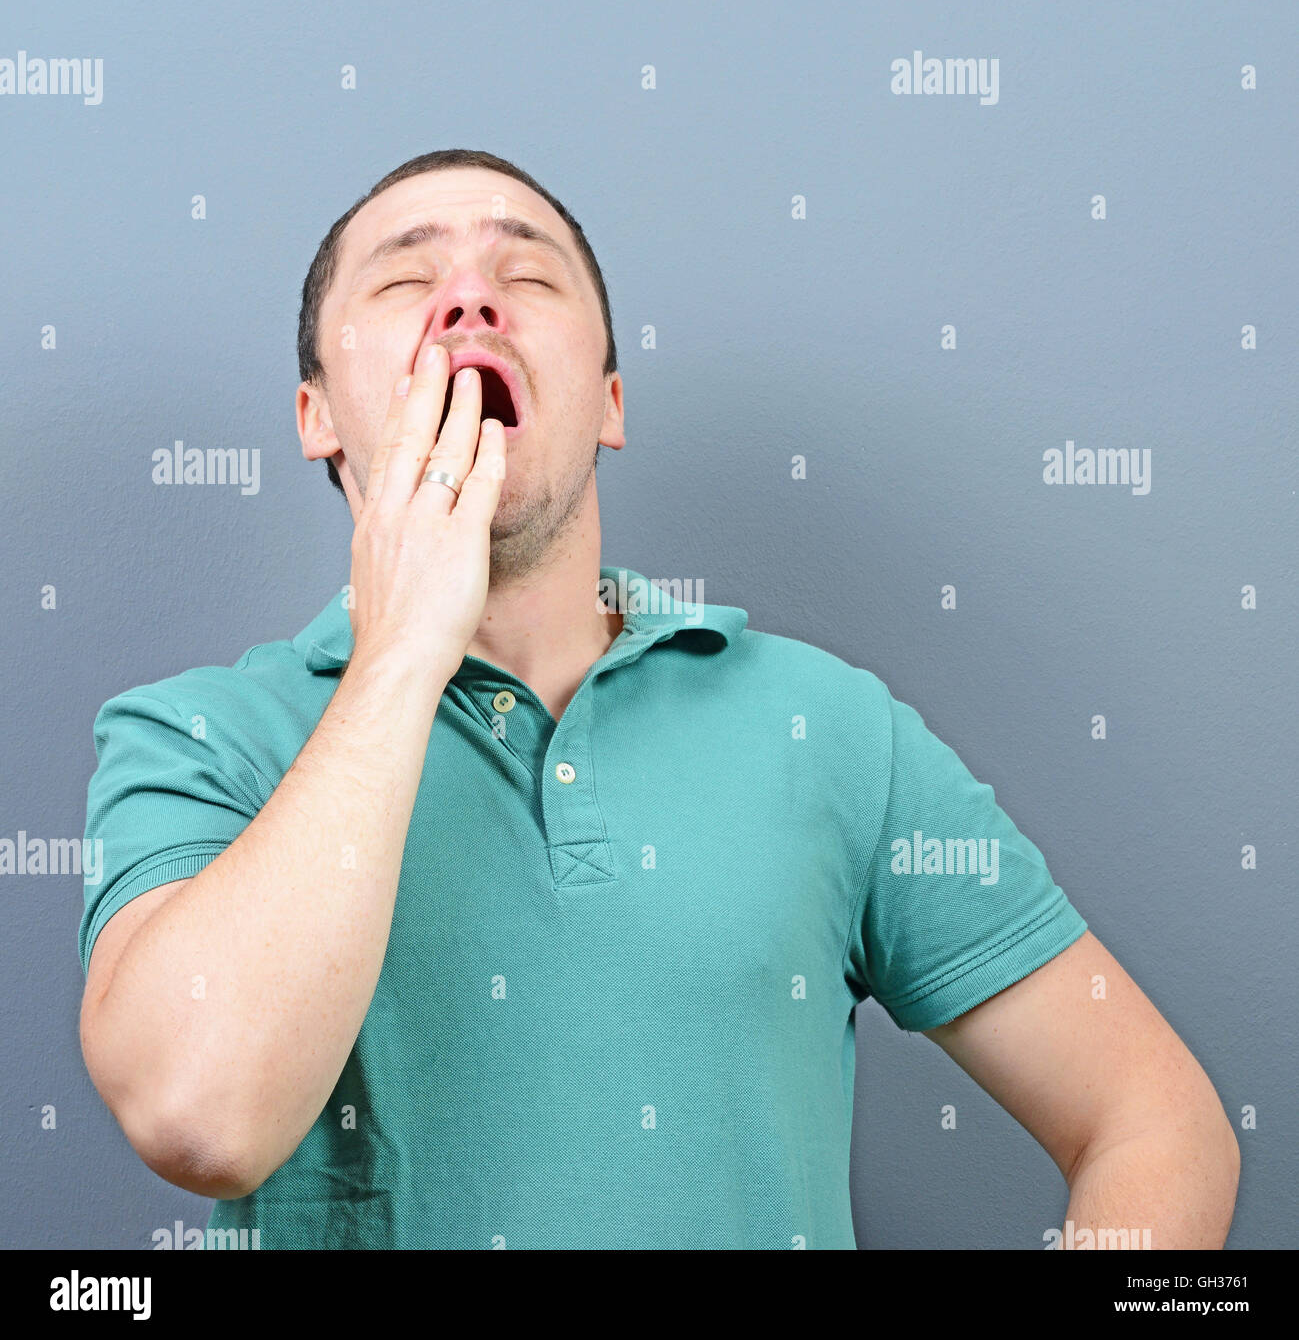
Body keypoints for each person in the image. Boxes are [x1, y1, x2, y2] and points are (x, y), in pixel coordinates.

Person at [78, 149, 1240, 1249]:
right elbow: (200, 1118)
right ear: (317, 415)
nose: (471, 302)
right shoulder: (196, 741)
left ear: (610, 403)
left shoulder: (826, 725)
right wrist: (398, 658)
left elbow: (1156, 1119)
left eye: (526, 274)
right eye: (406, 278)